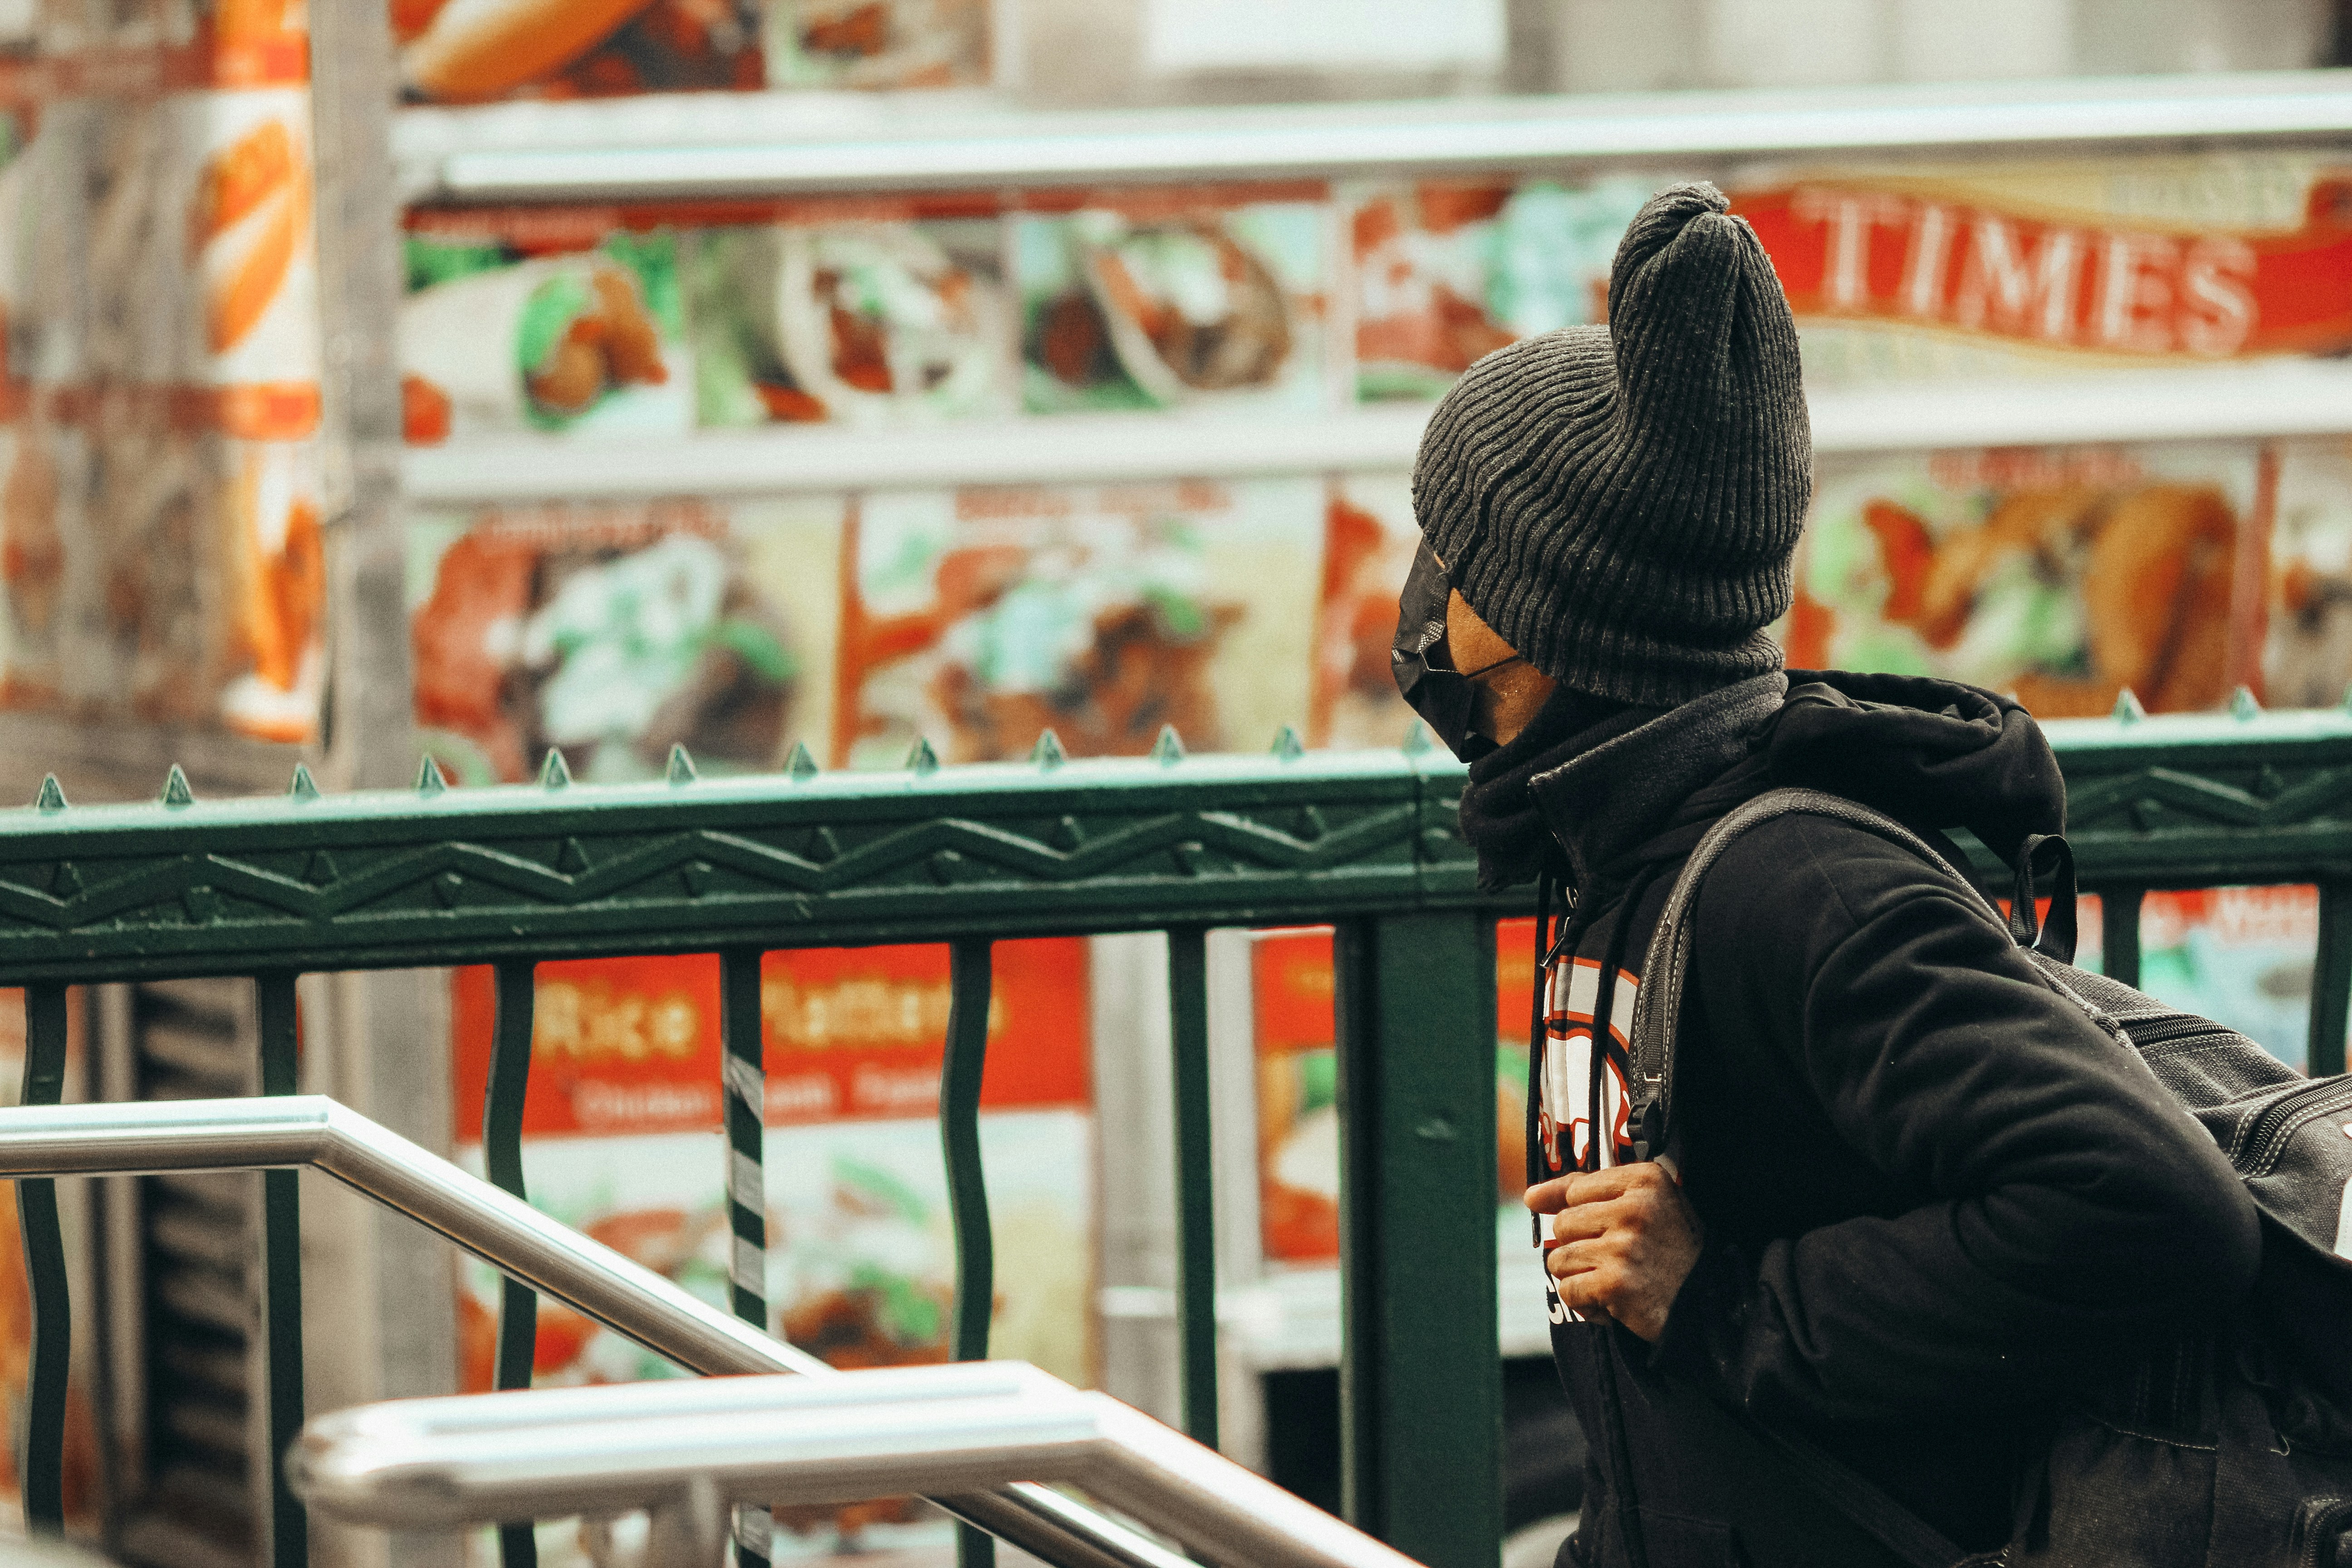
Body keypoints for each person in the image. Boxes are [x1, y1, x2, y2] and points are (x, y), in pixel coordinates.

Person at [1392, 183, 2262, 1568]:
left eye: (1453, 552)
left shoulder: (1797, 884)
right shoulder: (1621, 848)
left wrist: (1731, 1301)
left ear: (1559, 612)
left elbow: (2146, 1204)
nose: (1423, 589)